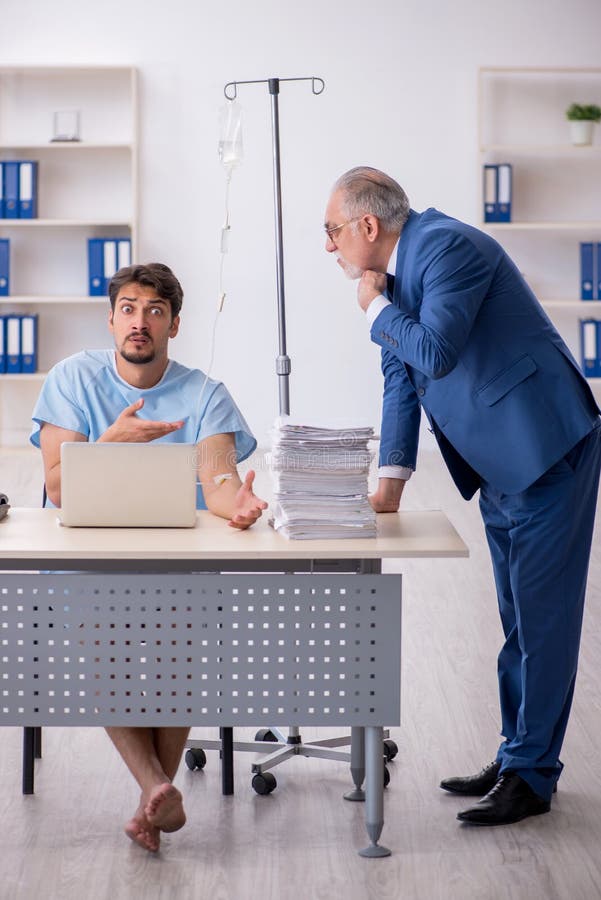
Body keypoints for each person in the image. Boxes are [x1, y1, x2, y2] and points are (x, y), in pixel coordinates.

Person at [324, 166, 601, 826]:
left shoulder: (446, 248)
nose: (328, 247)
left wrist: (371, 306)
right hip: (500, 459)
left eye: (330, 231)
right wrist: (387, 487)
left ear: (367, 225)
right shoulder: (397, 275)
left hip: (544, 448)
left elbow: (437, 352)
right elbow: (402, 377)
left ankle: (532, 776)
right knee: (517, 623)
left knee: (543, 623)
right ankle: (517, 757)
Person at [31, 262, 267, 852]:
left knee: (181, 650)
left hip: (174, 563)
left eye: (155, 311)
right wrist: (110, 443)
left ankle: (151, 798)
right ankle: (156, 784)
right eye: (130, 310)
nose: (141, 322)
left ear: (175, 325)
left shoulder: (205, 394)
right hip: (87, 559)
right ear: (111, 320)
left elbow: (215, 480)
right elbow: (58, 487)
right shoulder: (70, 379)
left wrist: (232, 505)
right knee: (103, 646)